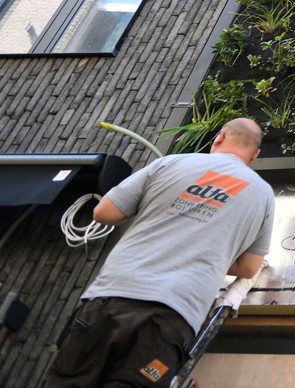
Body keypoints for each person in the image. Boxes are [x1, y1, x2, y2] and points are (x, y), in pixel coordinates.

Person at [47, 118, 275, 387]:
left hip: (112, 298)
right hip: (172, 318)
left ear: (219, 138)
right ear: (255, 155)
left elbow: (103, 212)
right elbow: (248, 269)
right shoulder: (263, 195)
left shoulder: (171, 163)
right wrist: (211, 251)